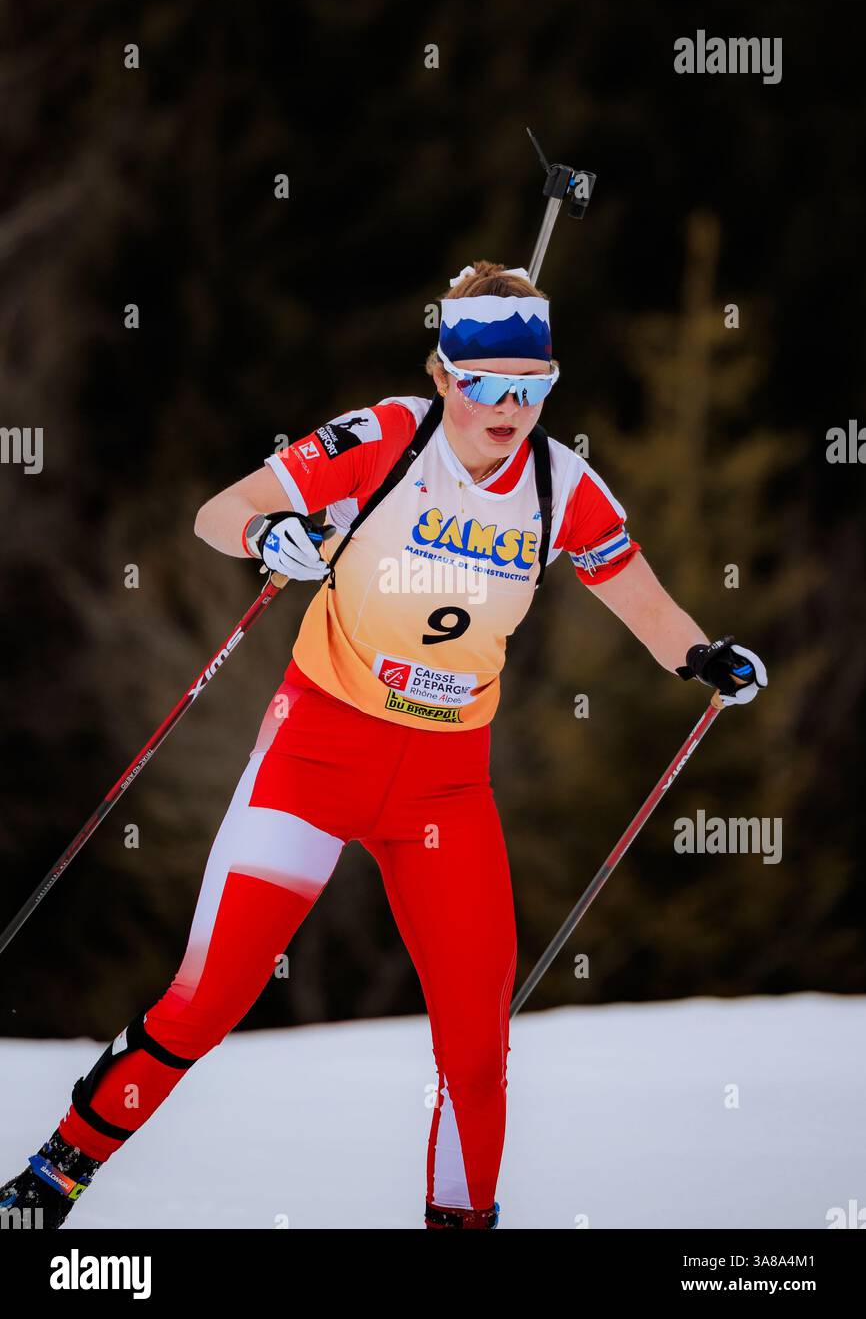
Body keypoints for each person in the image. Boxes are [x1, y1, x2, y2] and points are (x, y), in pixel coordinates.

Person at [0, 261, 767, 1231]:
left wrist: (700, 655)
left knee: (477, 1048)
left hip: (443, 794)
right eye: (487, 384)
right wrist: (271, 534)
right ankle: (56, 1170)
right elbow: (216, 514)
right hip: (313, 759)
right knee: (207, 998)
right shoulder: (386, 438)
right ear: (444, 374)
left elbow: (639, 597)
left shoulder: (558, 483)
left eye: (533, 387)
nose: (509, 409)